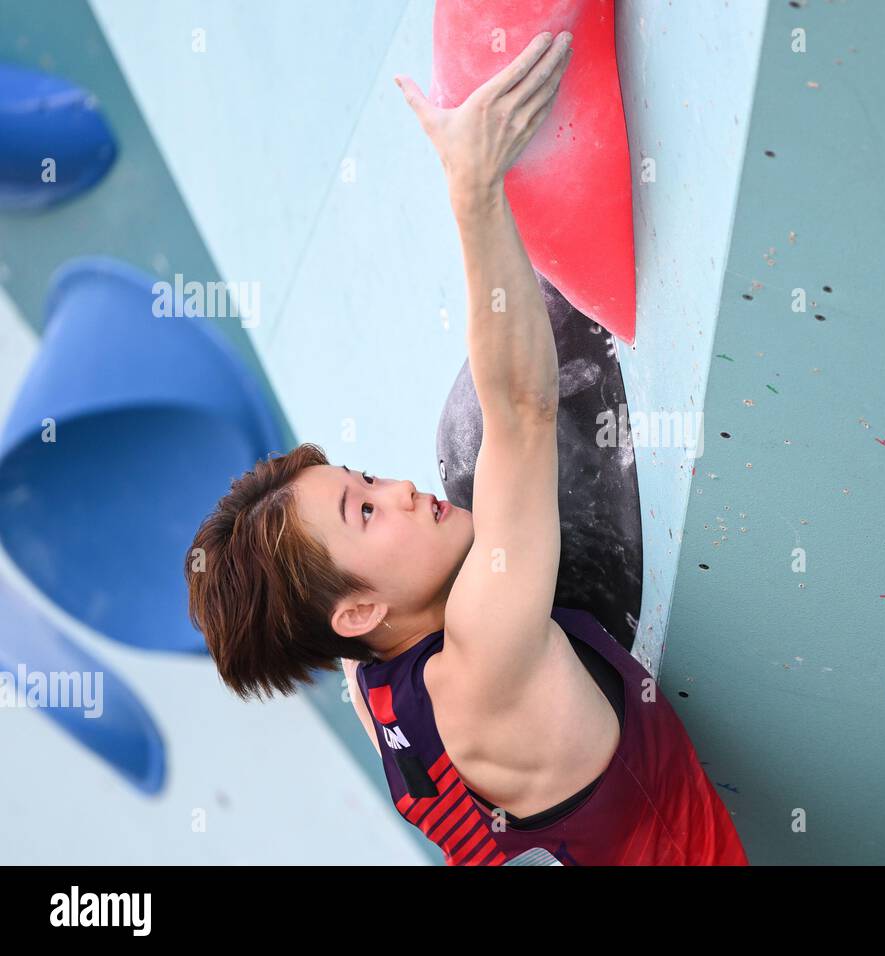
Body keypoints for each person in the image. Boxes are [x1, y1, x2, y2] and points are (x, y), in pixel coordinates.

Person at [185, 31, 747, 866]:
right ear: (361, 611)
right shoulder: (480, 660)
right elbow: (521, 407)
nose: (404, 490)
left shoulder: (372, 675)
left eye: (367, 479)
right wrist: (475, 188)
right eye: (366, 510)